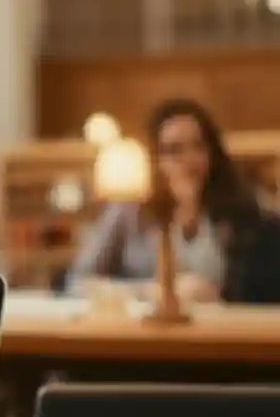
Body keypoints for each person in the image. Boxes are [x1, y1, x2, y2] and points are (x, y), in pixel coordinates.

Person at [69, 98, 280, 303]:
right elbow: (77, 283)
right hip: (146, 328)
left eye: (198, 146)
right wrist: (153, 292)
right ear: (154, 158)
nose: (190, 160)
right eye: (174, 150)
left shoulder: (239, 205)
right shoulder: (129, 208)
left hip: (220, 329)